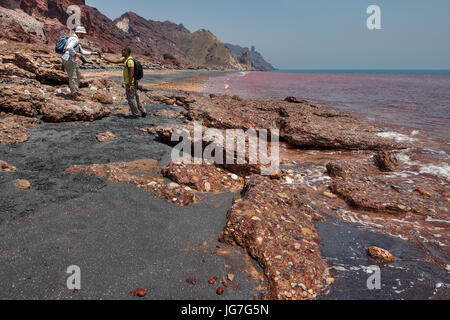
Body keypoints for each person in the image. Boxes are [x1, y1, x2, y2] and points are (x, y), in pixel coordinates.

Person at [101, 47, 147, 118]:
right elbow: (115, 61)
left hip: (130, 82)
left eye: (123, 51)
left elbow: (131, 72)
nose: (121, 52)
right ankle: (143, 111)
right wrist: (105, 58)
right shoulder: (125, 59)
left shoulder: (130, 61)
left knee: (131, 98)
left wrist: (130, 84)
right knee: (136, 96)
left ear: (126, 52)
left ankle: (136, 114)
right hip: (132, 82)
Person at [61, 26, 97, 100]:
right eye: (83, 33)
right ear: (79, 33)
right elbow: (69, 48)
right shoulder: (75, 40)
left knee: (77, 75)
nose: (84, 35)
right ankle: (74, 95)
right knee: (73, 77)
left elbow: (82, 52)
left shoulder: (74, 39)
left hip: (68, 59)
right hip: (69, 59)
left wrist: (93, 53)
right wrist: (75, 54)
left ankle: (75, 91)